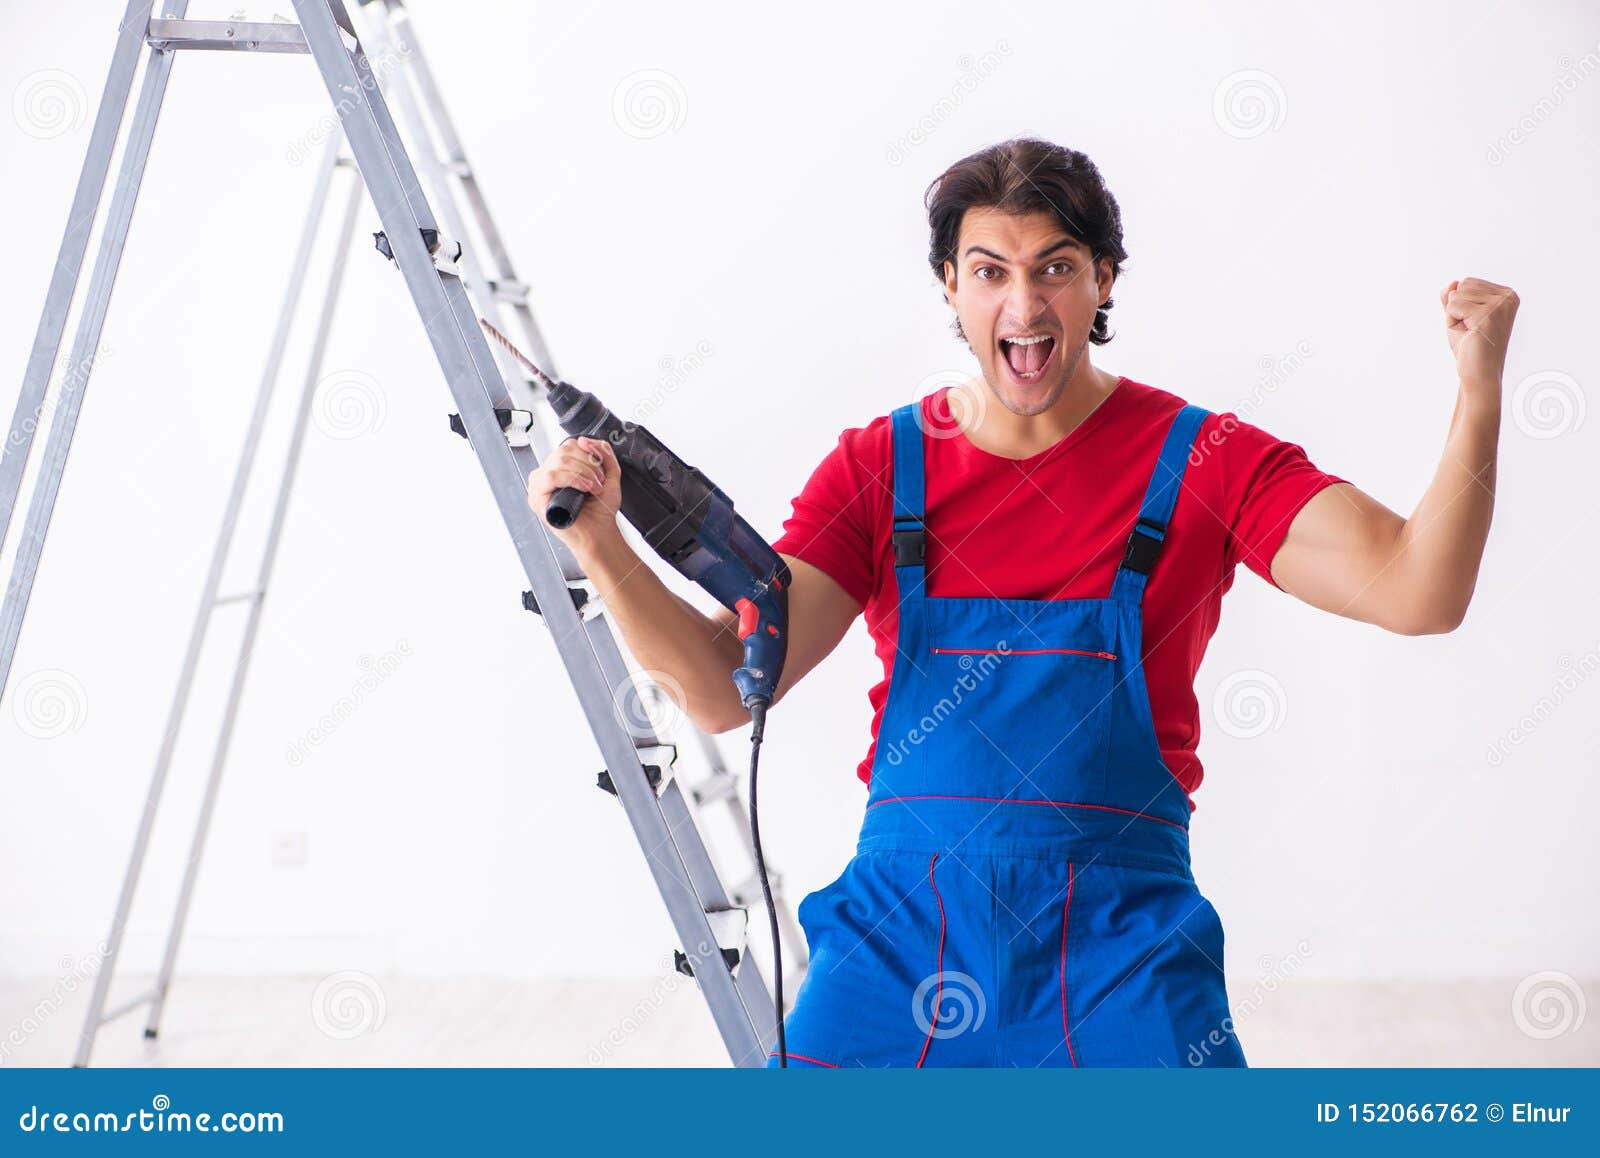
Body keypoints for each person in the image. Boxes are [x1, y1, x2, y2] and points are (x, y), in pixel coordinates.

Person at [525, 137, 1518, 1068]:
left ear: (1103, 282)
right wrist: (601, 543)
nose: (1024, 302)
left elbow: (1415, 590)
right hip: (900, 935)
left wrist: (1478, 386)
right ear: (949, 289)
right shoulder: (882, 467)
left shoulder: (1204, 459)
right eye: (990, 271)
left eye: (1055, 266)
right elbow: (723, 689)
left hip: (1120, 945)